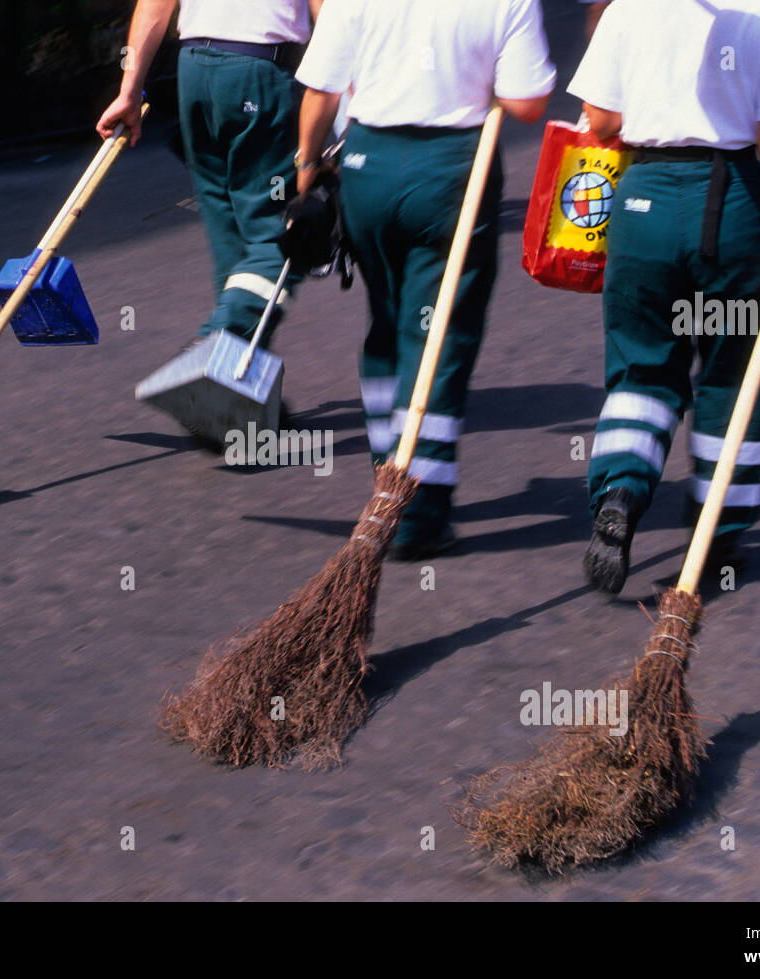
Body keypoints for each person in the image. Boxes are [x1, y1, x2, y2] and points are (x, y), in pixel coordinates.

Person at [570, 0, 760, 594]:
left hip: (643, 209)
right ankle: (717, 534)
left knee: (641, 366)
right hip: (732, 208)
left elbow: (602, 121)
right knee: (731, 372)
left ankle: (620, 494)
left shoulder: (626, 10)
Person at [293, 0, 556, 560]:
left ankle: (386, 478)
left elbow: (322, 89)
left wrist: (306, 168)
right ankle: (416, 512)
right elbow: (529, 103)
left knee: (386, 325)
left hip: (368, 167)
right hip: (451, 170)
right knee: (438, 336)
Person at [97, 1, 321, 434]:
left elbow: (155, 5)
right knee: (281, 237)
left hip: (195, 73)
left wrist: (130, 90)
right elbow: (329, 13)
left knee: (230, 235)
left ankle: (234, 401)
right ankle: (218, 342)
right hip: (258, 72)